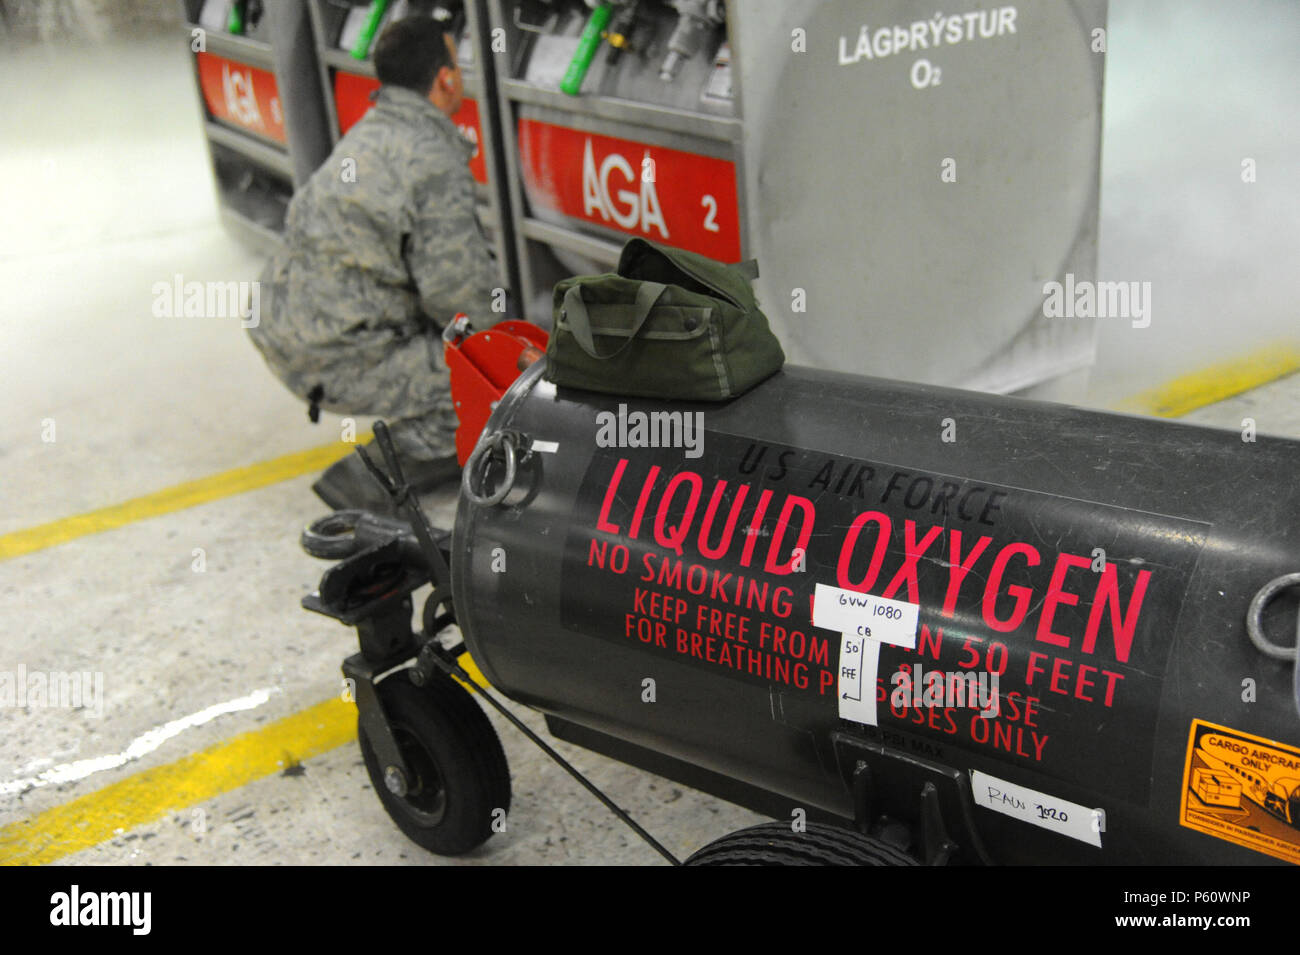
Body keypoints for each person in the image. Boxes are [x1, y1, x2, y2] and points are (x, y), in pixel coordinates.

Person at [247, 16, 499, 512]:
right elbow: (458, 296)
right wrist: (511, 361)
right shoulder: (431, 156)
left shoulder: (371, 132)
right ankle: (371, 480)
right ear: (446, 80)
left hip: (279, 325)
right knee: (489, 393)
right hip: (329, 351)